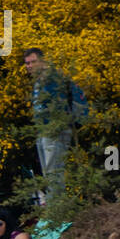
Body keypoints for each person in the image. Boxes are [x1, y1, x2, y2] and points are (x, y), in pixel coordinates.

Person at [23, 47, 88, 202]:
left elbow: (59, 106)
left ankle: (57, 212)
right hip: (44, 131)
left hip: (55, 130)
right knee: (49, 173)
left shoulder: (53, 78)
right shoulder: (39, 81)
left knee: (54, 173)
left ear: (43, 61)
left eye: (33, 62)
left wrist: (55, 126)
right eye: (27, 63)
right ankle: (55, 210)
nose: (29, 66)